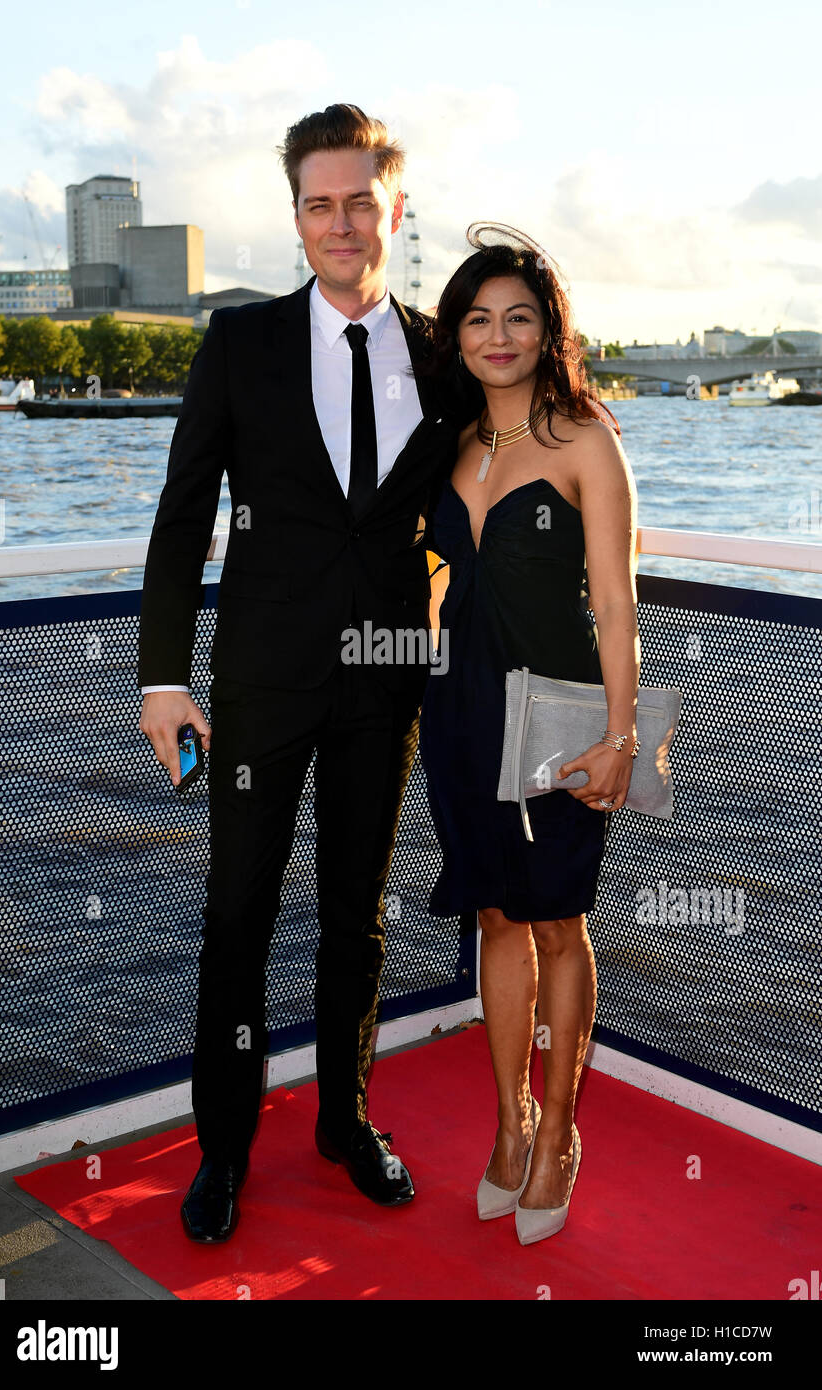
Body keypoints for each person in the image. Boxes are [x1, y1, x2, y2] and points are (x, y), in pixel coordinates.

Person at [137, 104, 460, 1242]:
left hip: (386, 677)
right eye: (319, 204)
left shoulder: (445, 353)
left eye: (360, 202)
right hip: (260, 683)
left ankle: (343, 1119)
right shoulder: (241, 343)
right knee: (238, 915)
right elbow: (183, 515)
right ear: (296, 217)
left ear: (393, 210)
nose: (341, 223)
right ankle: (224, 1147)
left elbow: (501, 478)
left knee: (356, 917)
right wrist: (162, 677)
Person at [418, 225, 640, 1245]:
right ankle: (506, 1127)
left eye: (517, 317)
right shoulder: (453, 442)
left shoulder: (586, 439)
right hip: (460, 714)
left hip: (557, 716)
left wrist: (621, 737)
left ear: (549, 331)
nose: (497, 336)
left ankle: (557, 1135)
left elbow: (616, 603)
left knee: (556, 922)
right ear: (457, 336)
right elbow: (430, 577)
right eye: (477, 319)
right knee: (497, 917)